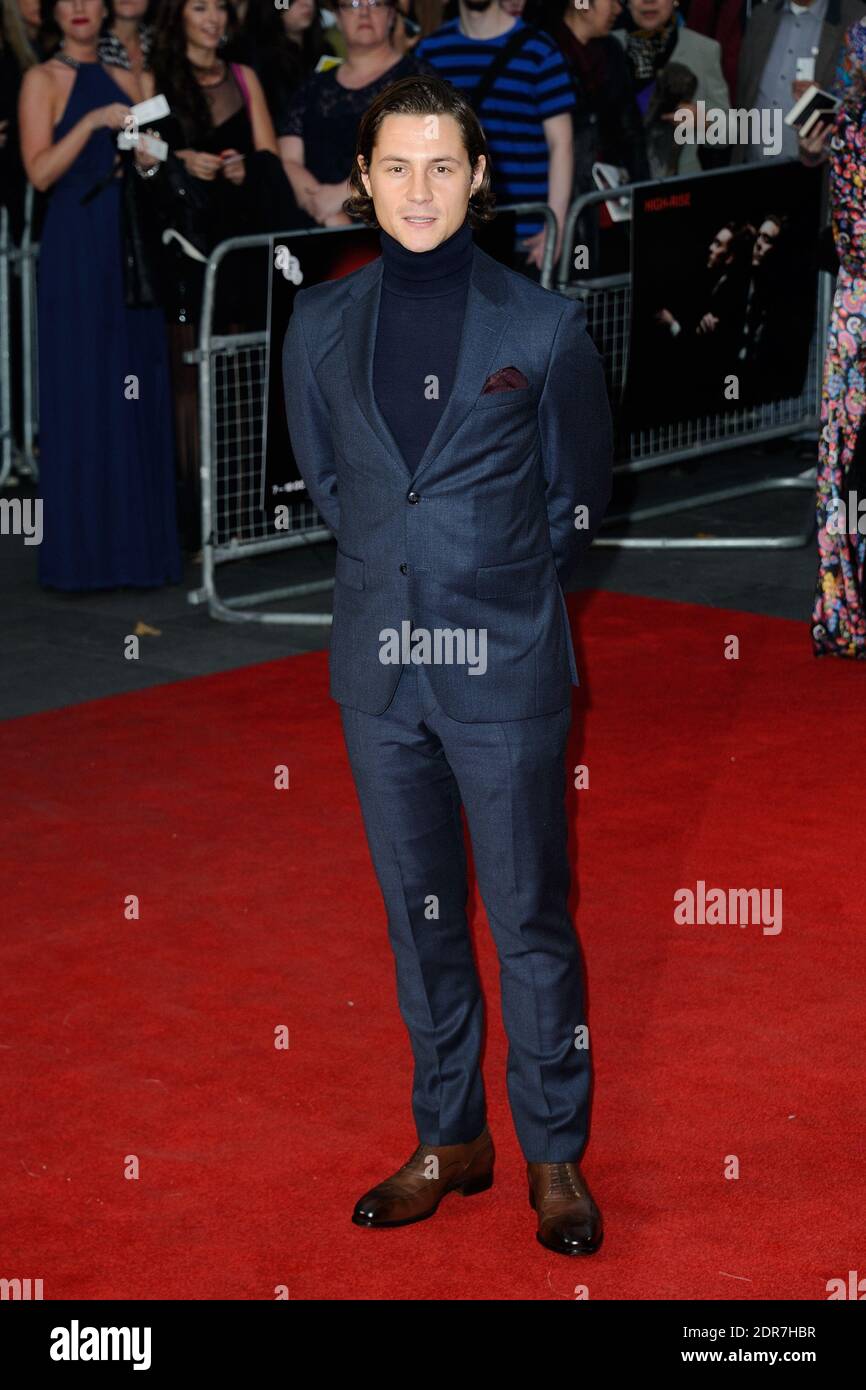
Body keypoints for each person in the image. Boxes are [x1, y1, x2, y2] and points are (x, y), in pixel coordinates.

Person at [282, 73, 613, 1254]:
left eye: (441, 167)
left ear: (478, 180)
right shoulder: (317, 324)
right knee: (416, 918)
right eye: (394, 167)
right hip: (376, 668)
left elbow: (580, 494)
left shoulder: (541, 327)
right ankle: (449, 1136)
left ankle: (555, 1156)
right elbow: (333, 482)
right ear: (361, 180)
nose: (416, 190)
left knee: (527, 917)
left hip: (504, 667)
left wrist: (498, 585)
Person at [18, 0, 182, 590]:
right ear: (54, 13)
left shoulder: (139, 80)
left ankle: (138, 554)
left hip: (128, 247)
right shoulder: (42, 80)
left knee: (133, 386)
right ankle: (82, 557)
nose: (82, 8)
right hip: (74, 248)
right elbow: (38, 173)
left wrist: (145, 157)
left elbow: (154, 165)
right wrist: (91, 123)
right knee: (81, 386)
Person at [134, 0, 290, 547]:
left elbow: (272, 162)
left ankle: (241, 513)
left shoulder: (245, 78)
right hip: (186, 260)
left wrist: (248, 167)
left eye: (220, 6)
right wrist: (179, 157)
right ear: (178, 16)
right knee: (187, 379)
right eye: (199, 6)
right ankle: (195, 524)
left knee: (239, 373)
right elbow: (138, 156)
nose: (213, 17)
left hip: (239, 252)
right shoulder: (154, 79)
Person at [415, 0, 576, 272]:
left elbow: (562, 143)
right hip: (455, 231)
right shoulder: (431, 51)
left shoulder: (539, 49)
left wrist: (555, 225)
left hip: (526, 230)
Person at [279, 0, 435, 230]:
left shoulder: (419, 79)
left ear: (392, 15)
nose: (364, 12)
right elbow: (289, 159)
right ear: (338, 17)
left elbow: (426, 152)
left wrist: (344, 194)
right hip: (316, 229)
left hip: (397, 228)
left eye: (375, 3)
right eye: (352, 4)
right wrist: (325, 209)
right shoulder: (313, 87)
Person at [811, 17, 866, 658]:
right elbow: (853, 236)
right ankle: (848, 611)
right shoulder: (853, 127)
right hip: (859, 314)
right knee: (851, 463)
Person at [732, 0, 863, 166]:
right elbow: (743, 94)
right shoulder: (762, 15)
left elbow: (859, 106)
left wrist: (827, 103)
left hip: (816, 174)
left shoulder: (856, 19)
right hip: (751, 163)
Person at [613, 0, 731, 174]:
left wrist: (704, 122)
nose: (648, 2)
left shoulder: (703, 49)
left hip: (679, 188)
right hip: (614, 187)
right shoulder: (606, 46)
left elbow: (728, 134)